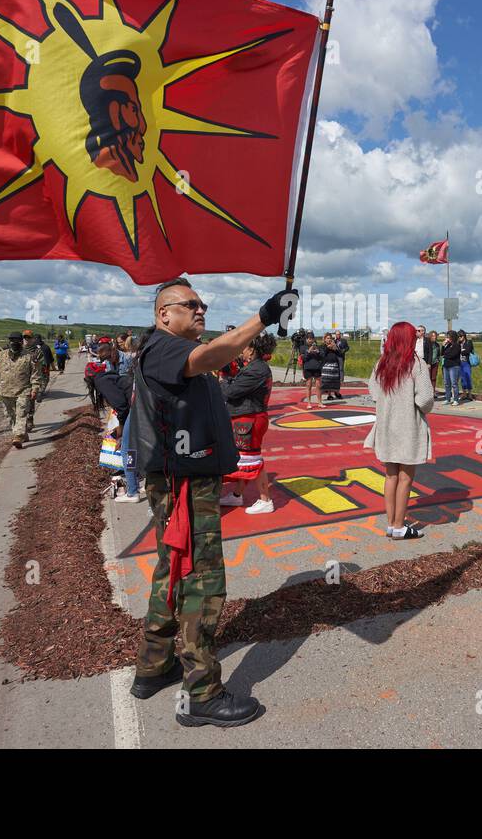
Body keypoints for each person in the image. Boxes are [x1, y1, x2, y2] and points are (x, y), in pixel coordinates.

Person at [125, 278, 294, 728]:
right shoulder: (166, 348)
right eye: (190, 305)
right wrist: (263, 317)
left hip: (181, 480)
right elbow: (211, 355)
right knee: (202, 581)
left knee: (172, 570)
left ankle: (154, 665)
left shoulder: (167, 350)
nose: (200, 311)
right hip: (185, 484)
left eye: (203, 304)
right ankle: (201, 691)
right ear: (164, 315)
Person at [363, 320, 434, 539]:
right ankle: (399, 526)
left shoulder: (382, 363)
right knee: (406, 478)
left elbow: (374, 392)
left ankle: (391, 524)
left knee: (390, 475)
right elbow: (425, 400)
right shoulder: (416, 364)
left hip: (386, 425)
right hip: (408, 426)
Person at [220, 332, 277, 514]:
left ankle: (265, 499)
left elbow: (231, 391)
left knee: (253, 459)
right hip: (247, 417)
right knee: (245, 459)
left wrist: (222, 382)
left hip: (250, 419)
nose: (241, 351)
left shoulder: (256, 369)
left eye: (244, 347)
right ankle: (237, 495)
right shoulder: (255, 367)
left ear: (251, 350)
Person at [95, 337, 143, 503]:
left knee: (126, 450)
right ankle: (137, 482)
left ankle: (132, 492)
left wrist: (121, 432)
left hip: (135, 408)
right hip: (139, 405)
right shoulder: (111, 375)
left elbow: (122, 406)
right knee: (135, 447)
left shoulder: (101, 381)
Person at [0, 332, 45, 449]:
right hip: (5, 391)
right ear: (9, 342)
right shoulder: (1, 356)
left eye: (17, 340)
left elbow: (35, 374)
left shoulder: (29, 356)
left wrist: (35, 388)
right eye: (12, 340)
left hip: (23, 390)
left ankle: (18, 436)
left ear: (21, 342)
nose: (14, 343)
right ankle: (23, 434)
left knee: (21, 413)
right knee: (10, 415)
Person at [319, 332, 344, 403]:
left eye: (330, 338)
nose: (329, 340)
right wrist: (327, 348)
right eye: (327, 338)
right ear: (324, 339)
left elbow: (340, 354)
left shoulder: (334, 345)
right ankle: (329, 395)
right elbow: (322, 354)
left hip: (334, 365)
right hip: (326, 366)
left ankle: (337, 393)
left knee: (334, 380)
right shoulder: (322, 346)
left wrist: (335, 348)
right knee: (327, 381)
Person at [300, 333, 323, 408]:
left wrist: (318, 351)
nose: (310, 340)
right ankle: (309, 403)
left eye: (312, 338)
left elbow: (322, 356)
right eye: (309, 338)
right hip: (308, 368)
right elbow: (303, 358)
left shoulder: (318, 347)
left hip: (317, 368)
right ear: (306, 339)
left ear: (314, 339)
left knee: (318, 386)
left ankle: (320, 402)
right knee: (308, 385)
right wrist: (309, 351)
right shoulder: (302, 347)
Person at [440, 330, 463, 406]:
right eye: (447, 336)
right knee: (446, 383)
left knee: (454, 383)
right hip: (446, 366)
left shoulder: (457, 345)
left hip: (454, 366)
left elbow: (452, 355)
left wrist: (445, 355)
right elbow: (442, 353)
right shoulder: (448, 345)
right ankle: (447, 398)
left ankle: (456, 399)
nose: (447, 338)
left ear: (452, 337)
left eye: (448, 336)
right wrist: (443, 346)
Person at [457, 329, 475, 402]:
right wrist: (462, 350)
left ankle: (470, 394)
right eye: (458, 337)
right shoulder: (458, 343)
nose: (460, 338)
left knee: (468, 377)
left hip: (466, 362)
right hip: (459, 362)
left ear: (464, 336)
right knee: (462, 379)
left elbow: (468, 351)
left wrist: (461, 351)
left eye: (461, 336)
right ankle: (464, 394)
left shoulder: (469, 342)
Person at [425, 330, 440, 397]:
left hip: (435, 363)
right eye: (433, 336)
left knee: (433, 378)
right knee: (428, 378)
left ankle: (433, 392)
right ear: (430, 336)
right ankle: (427, 393)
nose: (434, 337)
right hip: (428, 363)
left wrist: (438, 360)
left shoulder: (437, 345)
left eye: (435, 336)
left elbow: (438, 354)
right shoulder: (427, 344)